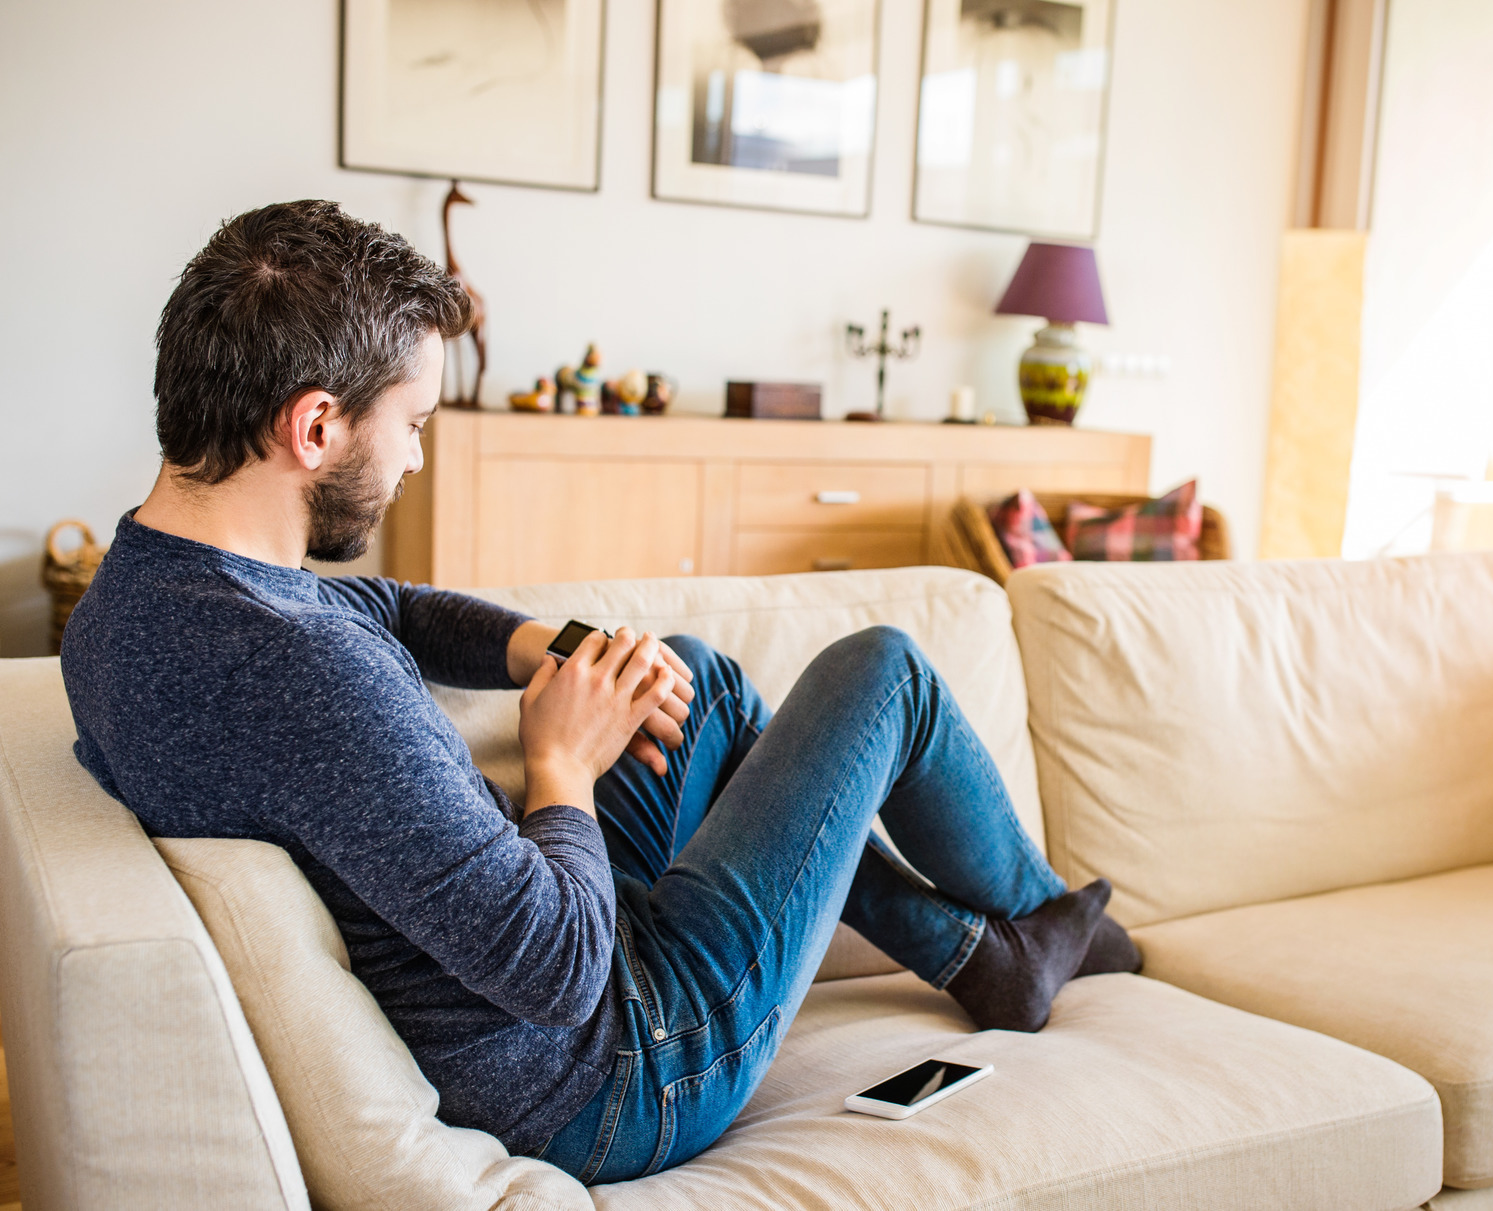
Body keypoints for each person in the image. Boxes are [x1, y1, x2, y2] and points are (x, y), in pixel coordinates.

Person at [59, 200, 1140, 1184]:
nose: (416, 464)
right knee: (884, 672)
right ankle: (1045, 919)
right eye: (416, 424)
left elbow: (381, 606)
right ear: (315, 427)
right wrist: (560, 762)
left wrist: (550, 645)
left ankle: (995, 959)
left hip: (528, 982)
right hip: (617, 1068)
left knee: (695, 684)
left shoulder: (136, 600)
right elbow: (563, 970)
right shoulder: (303, 676)